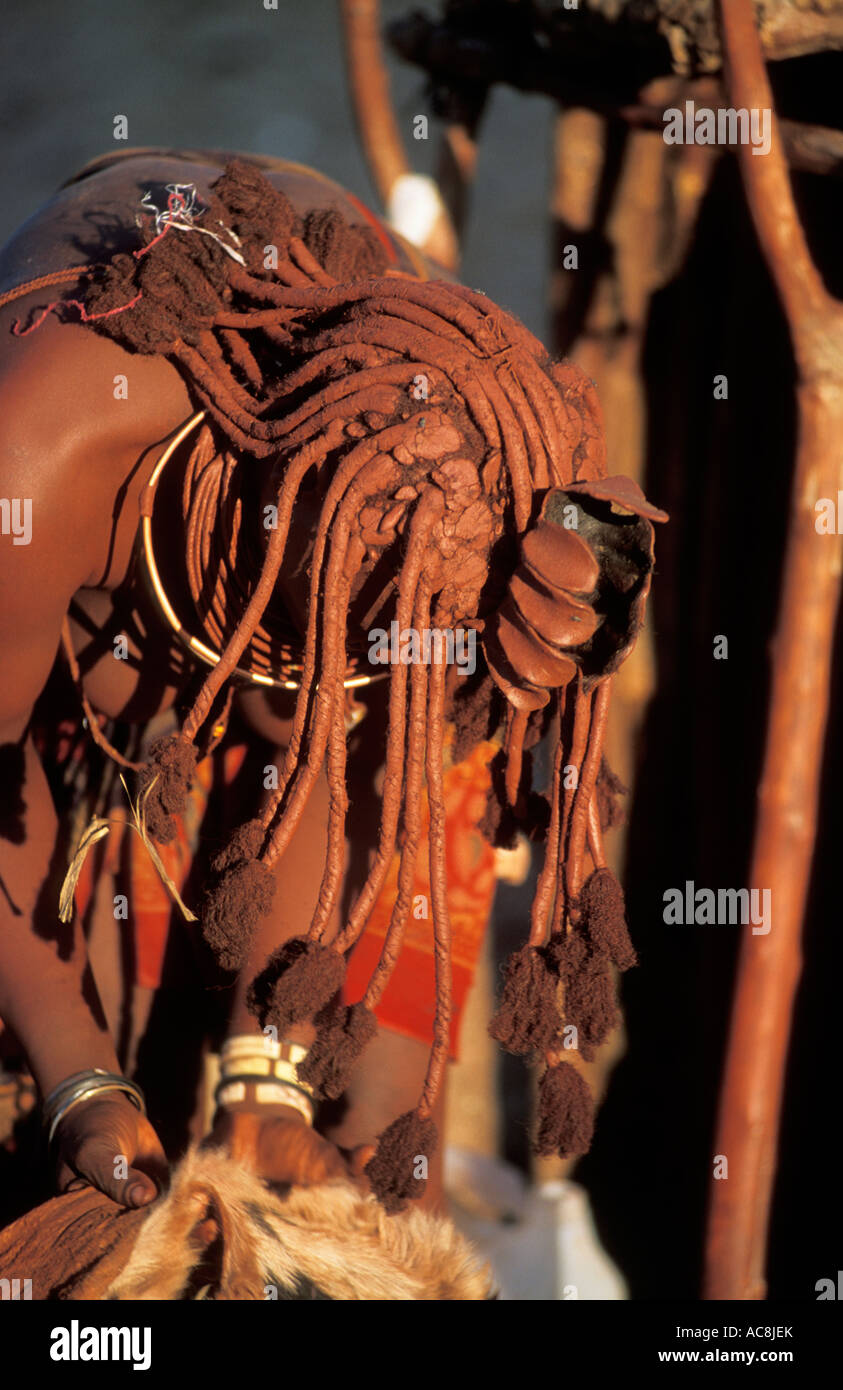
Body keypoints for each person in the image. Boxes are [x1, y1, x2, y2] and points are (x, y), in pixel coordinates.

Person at [0, 150, 664, 1220]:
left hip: (329, 626)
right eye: (356, 667)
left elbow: (361, 740)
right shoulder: (35, 463)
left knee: (373, 1111)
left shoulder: (481, 446)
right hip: (78, 658)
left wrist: (267, 1081)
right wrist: (80, 1075)